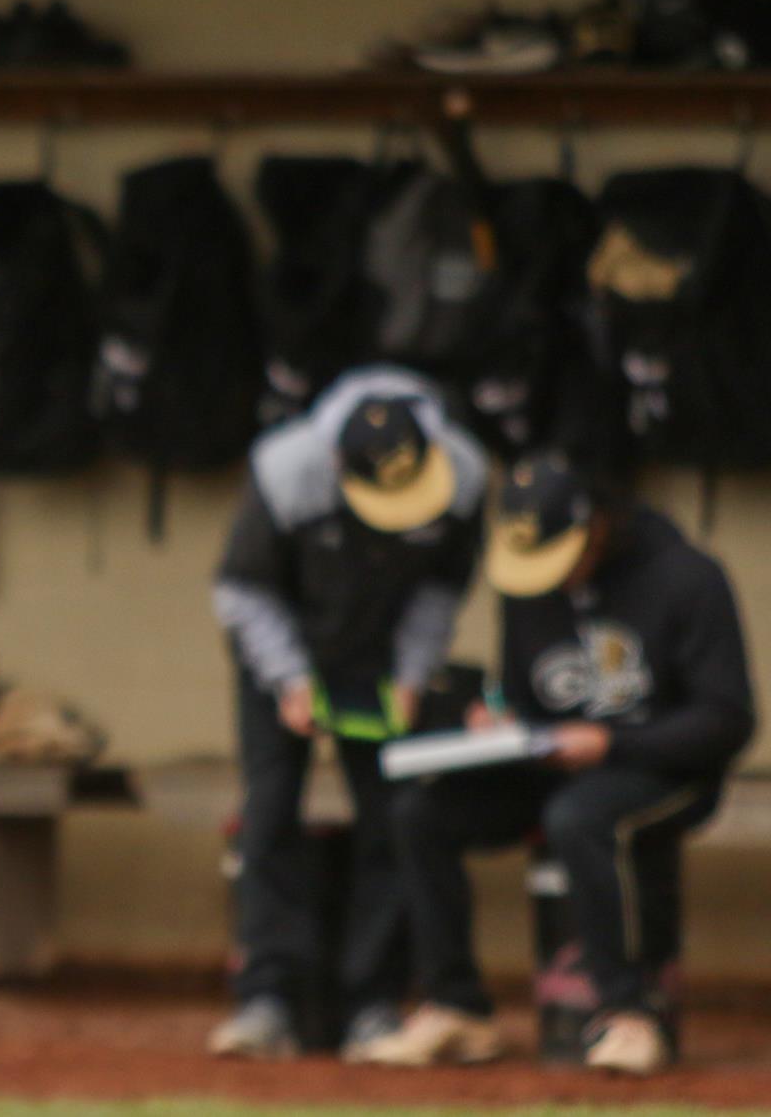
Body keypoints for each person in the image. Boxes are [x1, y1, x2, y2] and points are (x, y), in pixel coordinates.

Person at [365, 452, 756, 1076]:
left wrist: (612, 745)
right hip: (556, 762)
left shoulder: (688, 577)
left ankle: (630, 1015)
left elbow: (727, 719)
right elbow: (526, 696)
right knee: (420, 813)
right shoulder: (527, 591)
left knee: (581, 816)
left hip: (666, 767)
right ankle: (456, 1006)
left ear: (596, 528)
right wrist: (497, 722)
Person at [208, 367, 487, 1061]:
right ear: (337, 465)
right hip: (283, 649)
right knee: (270, 809)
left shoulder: (466, 473)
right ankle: (267, 996)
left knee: (392, 817)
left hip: (384, 660)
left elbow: (442, 586)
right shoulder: (285, 469)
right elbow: (242, 589)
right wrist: (290, 678)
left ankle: (372, 1001)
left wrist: (414, 672)